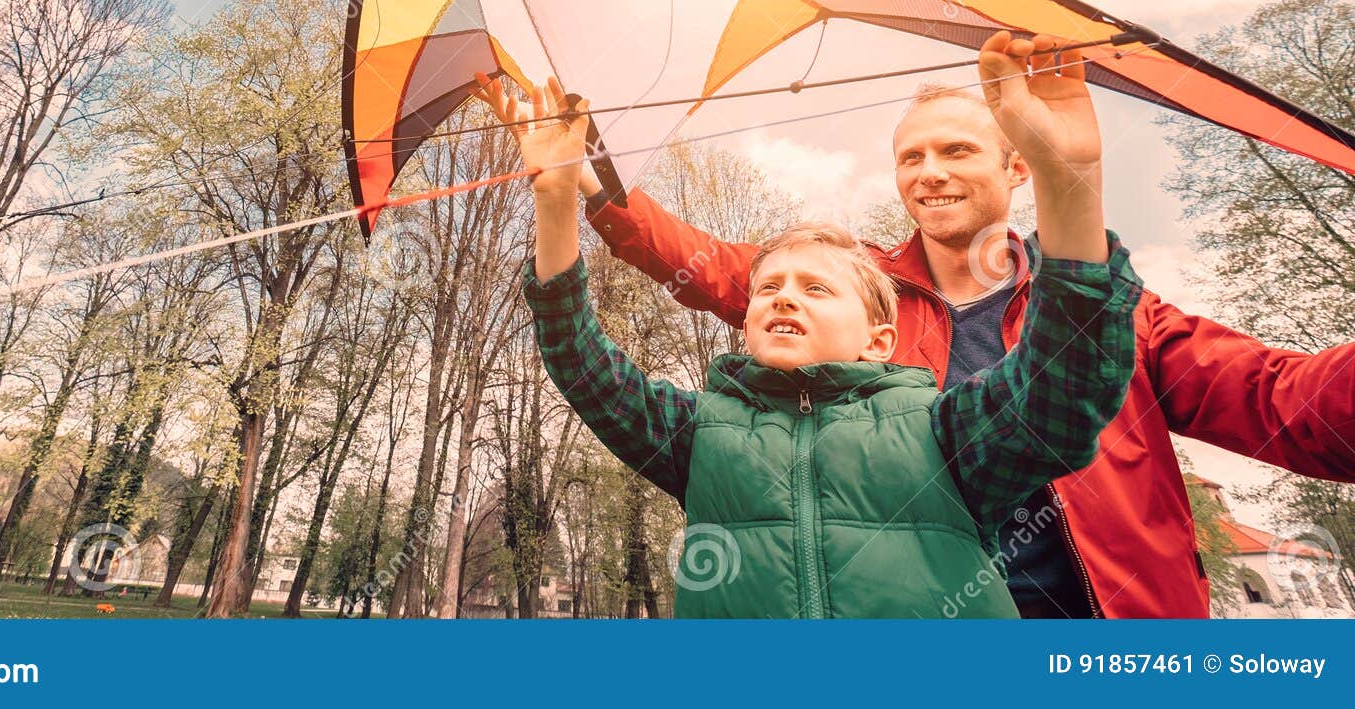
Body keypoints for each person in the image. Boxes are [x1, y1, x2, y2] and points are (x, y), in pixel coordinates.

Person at [480, 33, 1355, 618]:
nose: (929, 172)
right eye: (911, 156)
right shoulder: (851, 284)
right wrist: (587, 186)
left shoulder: (1101, 312)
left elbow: (1286, 401)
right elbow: (705, 266)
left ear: (1018, 161)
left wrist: (1074, 188)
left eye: (956, 149)